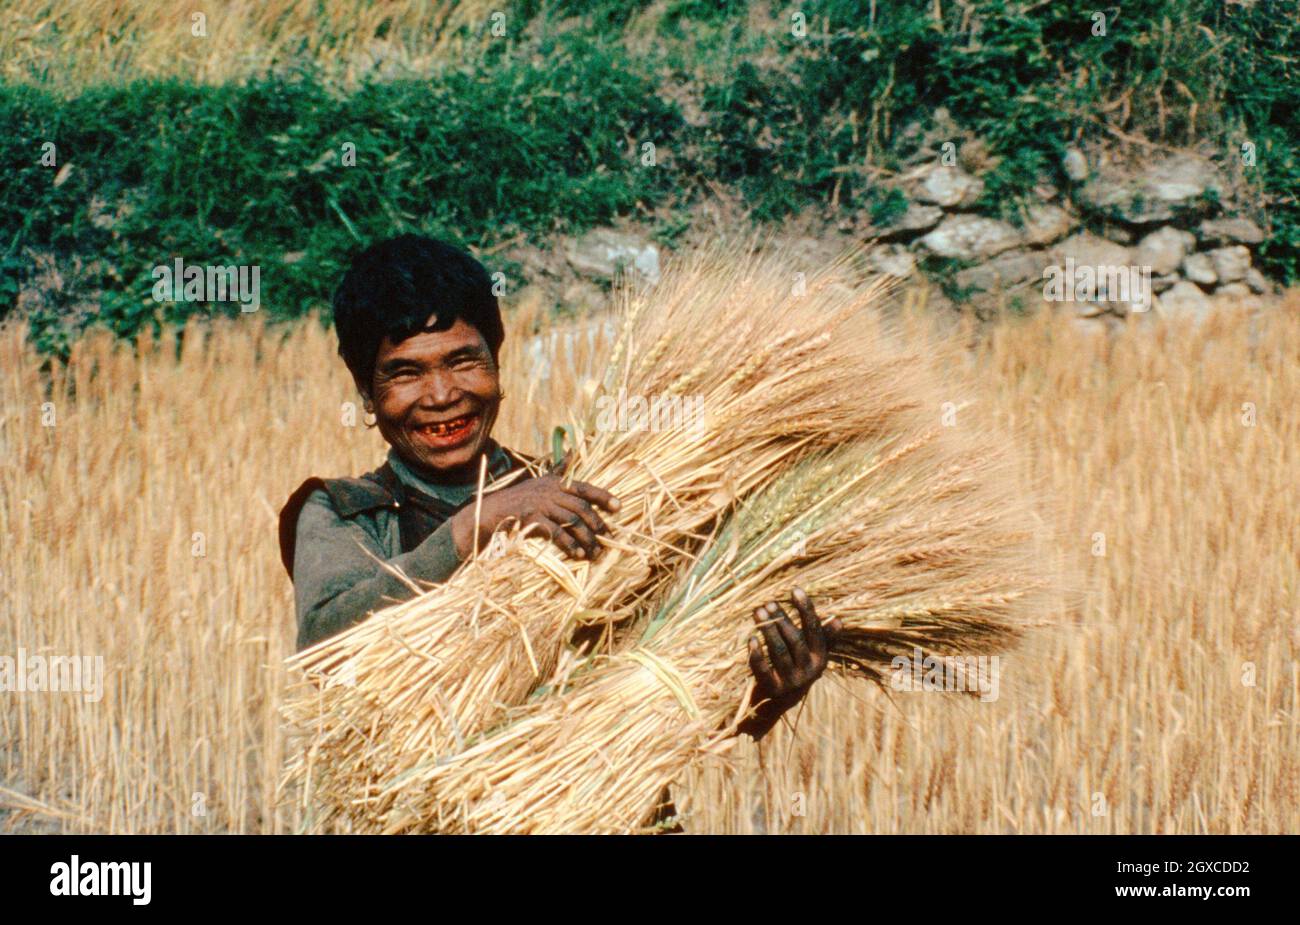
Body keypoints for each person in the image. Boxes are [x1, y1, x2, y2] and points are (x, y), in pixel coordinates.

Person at [277, 235, 841, 826]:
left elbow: (665, 681)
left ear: (497, 363)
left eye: (463, 360)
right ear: (367, 392)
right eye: (405, 373)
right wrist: (479, 524)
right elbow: (328, 645)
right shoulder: (344, 514)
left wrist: (767, 689)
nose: (442, 395)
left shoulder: (579, 494)